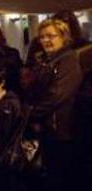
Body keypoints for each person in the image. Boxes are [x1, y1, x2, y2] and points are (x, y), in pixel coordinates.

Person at [25, 19, 82, 191]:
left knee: (60, 178)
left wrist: (31, 113)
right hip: (48, 128)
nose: (45, 40)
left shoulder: (68, 60)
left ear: (63, 37)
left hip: (62, 130)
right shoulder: (48, 60)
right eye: (42, 37)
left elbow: (57, 95)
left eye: (51, 36)